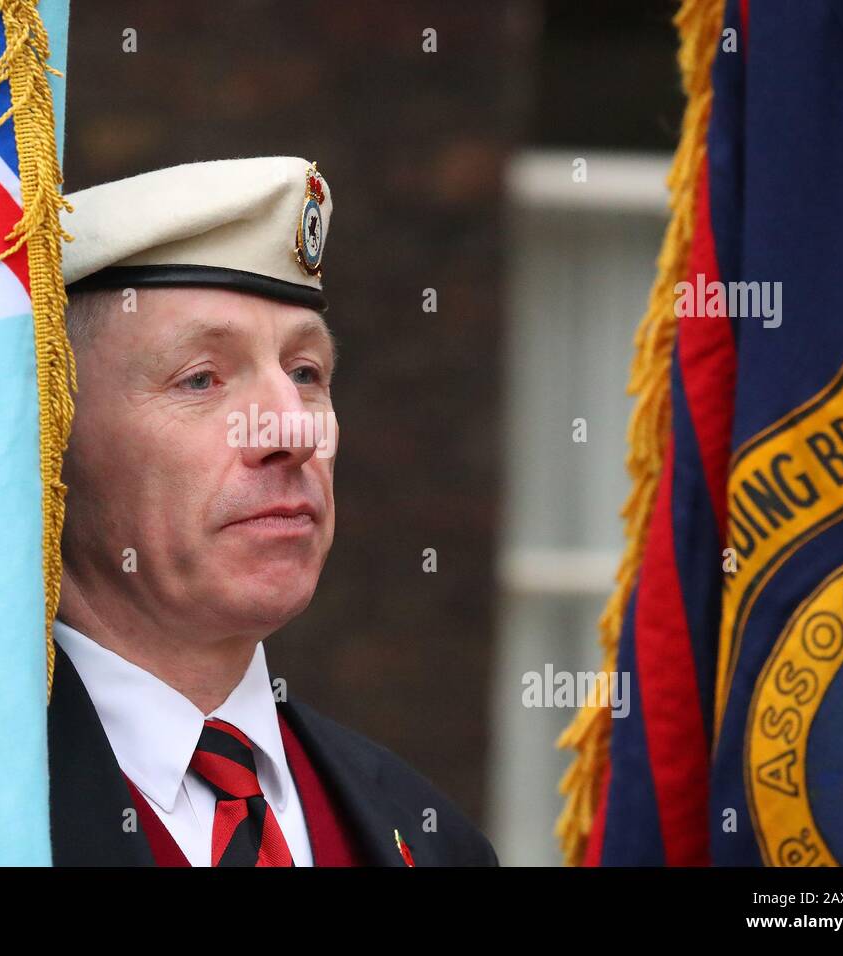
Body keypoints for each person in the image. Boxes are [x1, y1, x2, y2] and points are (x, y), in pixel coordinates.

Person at [47, 156, 498, 866]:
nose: (291, 429)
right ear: (53, 433)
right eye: (201, 379)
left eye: (306, 374)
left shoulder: (430, 833)